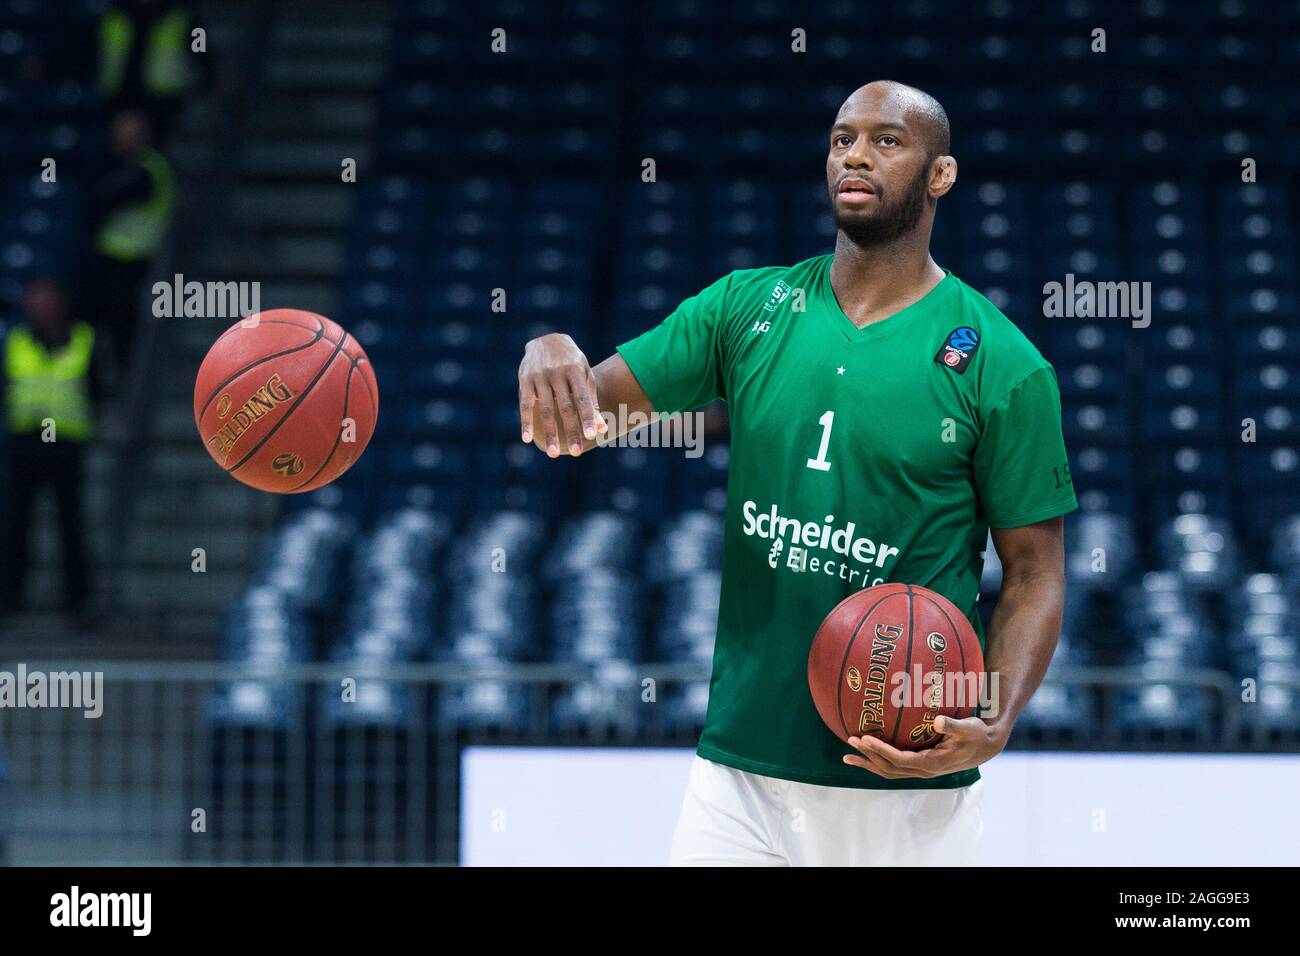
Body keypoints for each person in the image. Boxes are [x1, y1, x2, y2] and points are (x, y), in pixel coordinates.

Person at [516, 81, 1078, 866]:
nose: (855, 154)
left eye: (887, 141)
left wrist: (996, 712)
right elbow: (580, 415)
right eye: (843, 137)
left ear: (940, 175)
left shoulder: (1004, 365)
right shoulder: (746, 308)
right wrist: (550, 354)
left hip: (904, 787)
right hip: (736, 773)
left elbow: (1036, 572)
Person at [0, 278, 103, 618]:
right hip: (24, 446)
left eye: (45, 299)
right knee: (16, 526)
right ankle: (10, 601)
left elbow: (97, 392)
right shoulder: (15, 341)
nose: (38, 307)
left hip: (66, 448)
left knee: (71, 527)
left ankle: (78, 604)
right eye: (33, 300)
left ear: (61, 303)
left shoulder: (84, 340)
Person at [91, 109, 175, 376]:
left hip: (136, 259)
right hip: (114, 257)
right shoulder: (119, 165)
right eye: (120, 131)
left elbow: (103, 199)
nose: (123, 138)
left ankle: (128, 370)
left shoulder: (145, 168)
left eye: (131, 132)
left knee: (126, 322)